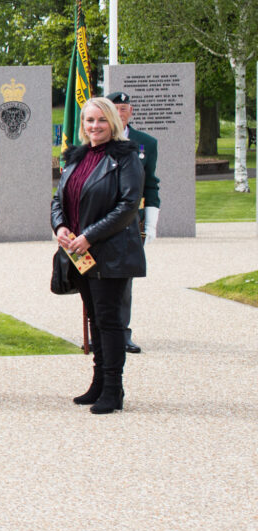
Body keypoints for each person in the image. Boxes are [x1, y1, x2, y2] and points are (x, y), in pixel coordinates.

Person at [52, 97, 145, 414]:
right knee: (94, 318)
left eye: (101, 120)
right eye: (89, 120)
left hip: (110, 253)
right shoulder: (77, 157)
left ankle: (113, 389)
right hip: (78, 254)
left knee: (109, 321)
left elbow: (128, 206)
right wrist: (60, 226)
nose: (95, 126)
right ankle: (98, 382)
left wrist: (89, 235)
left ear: (113, 122)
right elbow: (59, 198)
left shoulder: (126, 157)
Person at [108, 90, 157, 354]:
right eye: (114, 107)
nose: (119, 112)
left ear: (131, 111)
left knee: (124, 279)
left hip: (129, 220)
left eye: (124, 108)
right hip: (100, 218)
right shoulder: (98, 141)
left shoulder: (145, 143)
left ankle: (123, 332)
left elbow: (151, 184)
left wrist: (150, 224)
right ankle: (101, 332)